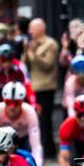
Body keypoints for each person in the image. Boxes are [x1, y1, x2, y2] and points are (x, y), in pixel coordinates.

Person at [25, 18, 61, 157]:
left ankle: (48, 151)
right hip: (33, 87)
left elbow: (47, 65)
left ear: (41, 29)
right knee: (35, 121)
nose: (30, 32)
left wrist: (34, 53)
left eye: (32, 28)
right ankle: (37, 148)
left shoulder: (50, 44)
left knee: (45, 120)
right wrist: (26, 52)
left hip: (46, 87)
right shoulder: (32, 44)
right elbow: (26, 65)